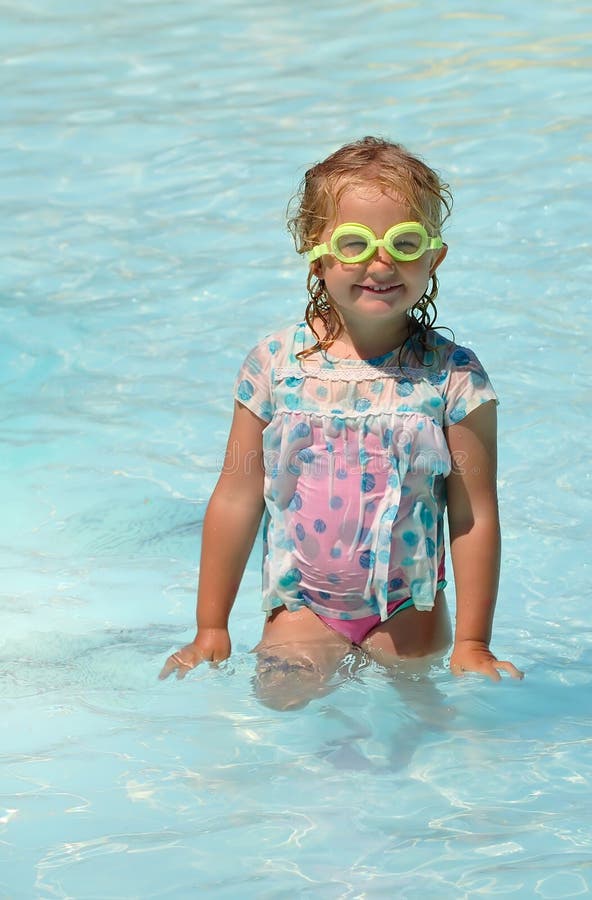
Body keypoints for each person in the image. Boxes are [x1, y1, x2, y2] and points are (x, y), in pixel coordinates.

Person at [159, 136, 523, 705]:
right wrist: (211, 627)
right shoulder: (275, 367)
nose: (381, 264)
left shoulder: (453, 377)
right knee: (278, 709)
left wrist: (473, 643)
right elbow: (236, 496)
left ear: (435, 257)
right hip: (301, 606)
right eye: (355, 244)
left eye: (405, 244)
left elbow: (473, 513)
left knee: (424, 730)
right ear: (317, 253)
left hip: (410, 613)